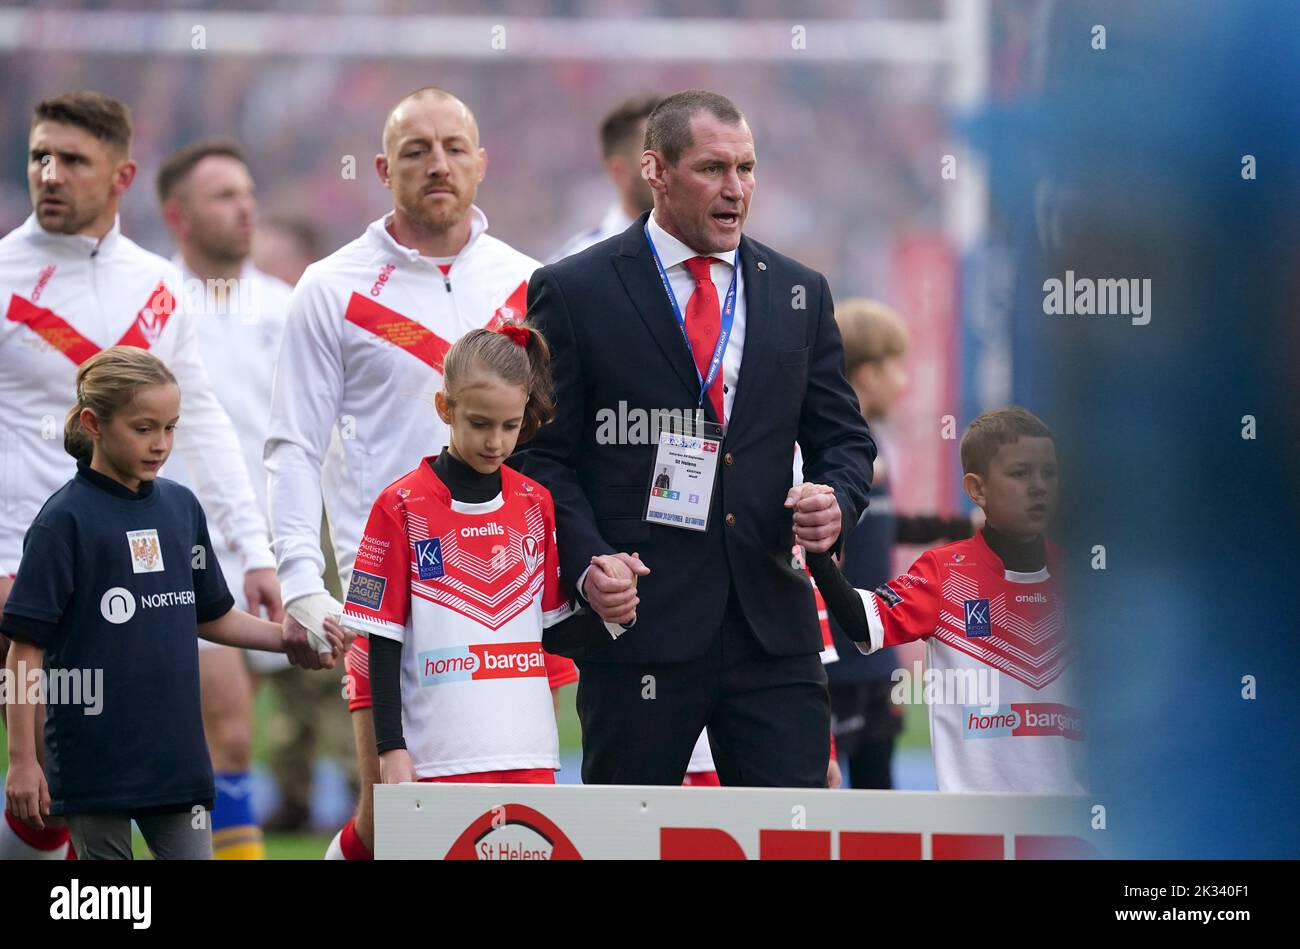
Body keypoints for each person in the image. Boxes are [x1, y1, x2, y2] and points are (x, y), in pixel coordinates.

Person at [515, 89, 875, 787]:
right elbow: (544, 457)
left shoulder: (800, 292)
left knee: (792, 839)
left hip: (772, 627)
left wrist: (838, 498)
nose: (736, 188)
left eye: (747, 167)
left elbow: (846, 440)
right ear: (655, 170)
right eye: (713, 168)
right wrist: (589, 562)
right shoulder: (574, 290)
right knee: (629, 840)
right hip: (640, 625)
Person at [264, 86, 575, 860]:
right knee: (392, 815)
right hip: (391, 595)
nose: (438, 164)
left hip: (505, 593)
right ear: (381, 168)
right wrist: (303, 579)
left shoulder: (533, 285)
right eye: (415, 150)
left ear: (481, 163)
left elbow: (556, 446)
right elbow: (292, 444)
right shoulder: (330, 288)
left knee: (508, 819)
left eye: (454, 148)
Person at [0, 90, 277, 860]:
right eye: (38, 156)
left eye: (73, 160)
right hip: (27, 559)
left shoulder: (158, 286)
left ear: (122, 177)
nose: (49, 173)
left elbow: (208, 420)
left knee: (223, 732)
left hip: (150, 552)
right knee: (57, 785)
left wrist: (252, 548)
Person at [0, 347, 346, 860]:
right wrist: (23, 761)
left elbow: (212, 615)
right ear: (93, 423)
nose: (160, 444)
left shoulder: (181, 507)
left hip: (179, 765)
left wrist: (289, 636)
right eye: (143, 428)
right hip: (94, 765)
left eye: (170, 427)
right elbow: (22, 651)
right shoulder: (63, 523)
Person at [345, 326, 585, 794]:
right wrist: (390, 748)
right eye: (480, 424)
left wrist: (618, 611)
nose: (496, 442)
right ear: (445, 408)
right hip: (437, 757)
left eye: (510, 426)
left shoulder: (537, 503)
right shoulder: (400, 505)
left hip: (527, 751)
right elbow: (382, 639)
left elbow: (556, 630)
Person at [806, 406, 1085, 793]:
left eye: (1049, 473)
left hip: (1073, 832)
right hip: (972, 832)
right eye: (1020, 473)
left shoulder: (1084, 582)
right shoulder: (944, 572)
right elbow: (862, 621)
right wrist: (818, 554)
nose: (1039, 486)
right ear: (976, 489)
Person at [156, 137, 294, 859]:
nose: (244, 208)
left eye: (247, 193)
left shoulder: (288, 306)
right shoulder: (155, 309)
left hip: (274, 552)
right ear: (177, 215)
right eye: (222, 196)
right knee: (228, 732)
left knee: (242, 737)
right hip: (182, 551)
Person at [827, 299, 975, 789]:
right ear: (868, 374)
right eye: (897, 368)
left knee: (879, 798)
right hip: (832, 663)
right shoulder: (831, 449)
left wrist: (963, 525)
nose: (905, 382)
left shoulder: (871, 445)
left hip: (878, 653)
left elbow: (884, 525)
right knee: (814, 800)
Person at [549, 93, 662, 262]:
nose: (674, 167)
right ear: (619, 172)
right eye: (655, 157)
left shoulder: (710, 252)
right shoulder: (575, 268)